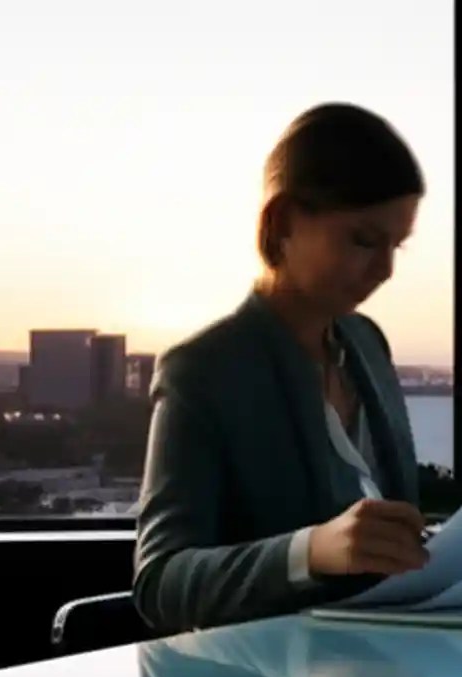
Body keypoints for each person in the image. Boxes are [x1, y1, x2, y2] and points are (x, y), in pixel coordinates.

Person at [133, 103, 432, 634]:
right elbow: (162, 582)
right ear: (281, 223)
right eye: (364, 240)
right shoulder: (202, 372)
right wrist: (308, 552)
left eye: (396, 246)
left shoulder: (368, 345)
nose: (385, 270)